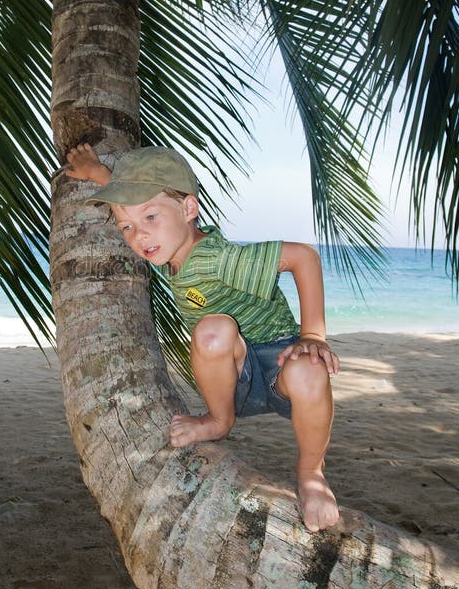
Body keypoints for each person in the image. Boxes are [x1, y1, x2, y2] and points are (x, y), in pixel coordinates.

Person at [64, 142, 340, 532]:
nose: (140, 236)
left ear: (190, 210)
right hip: (234, 374)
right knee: (213, 333)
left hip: (282, 370)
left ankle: (312, 472)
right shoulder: (168, 245)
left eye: (151, 218)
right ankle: (218, 419)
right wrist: (97, 173)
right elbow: (141, 205)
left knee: (309, 369)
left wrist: (313, 335)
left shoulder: (214, 258)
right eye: (127, 226)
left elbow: (303, 257)